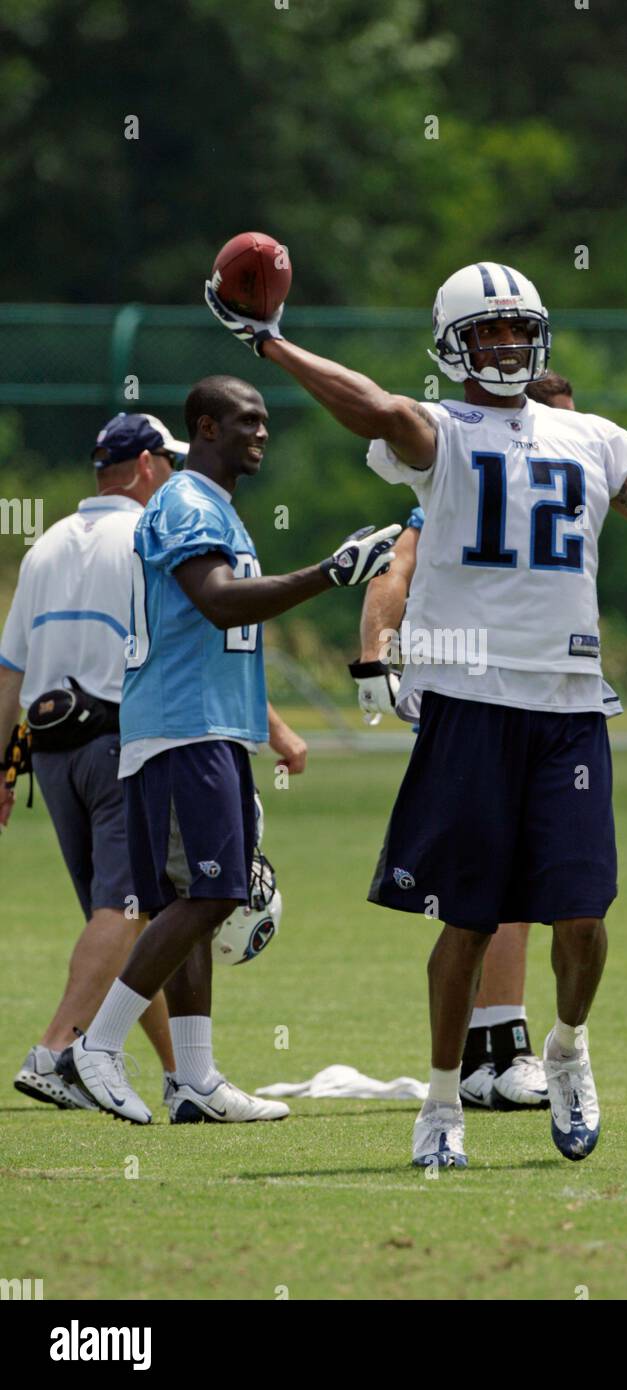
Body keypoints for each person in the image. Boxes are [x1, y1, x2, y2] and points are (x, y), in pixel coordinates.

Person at [205, 260, 627, 1168]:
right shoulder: (443, 431)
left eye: (514, 330)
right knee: (466, 920)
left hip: (571, 705)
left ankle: (569, 1048)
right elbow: (374, 408)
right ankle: (438, 1103)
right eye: (486, 332)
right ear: (453, 345)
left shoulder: (591, 435)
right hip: (472, 706)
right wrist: (269, 343)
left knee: (583, 916)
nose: (503, 346)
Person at [58, 375, 399, 1125]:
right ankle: (96, 1047)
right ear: (205, 427)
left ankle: (194, 1081)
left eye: (266, 421)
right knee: (211, 894)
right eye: (247, 420)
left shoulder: (217, 509)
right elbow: (216, 600)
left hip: (208, 726)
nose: (262, 433)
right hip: (183, 725)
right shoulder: (184, 501)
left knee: (196, 902)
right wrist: (327, 574)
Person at [347, 372, 591, 1112]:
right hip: (475, 693)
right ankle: (503, 1046)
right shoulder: (473, 469)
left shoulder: (571, 465)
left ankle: (492, 1046)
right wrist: (373, 655)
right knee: (495, 879)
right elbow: (399, 564)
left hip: (537, 692)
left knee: (497, 880)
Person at [0, 413, 184, 1110]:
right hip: (118, 747)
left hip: (51, 758)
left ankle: (180, 1076)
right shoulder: (148, 535)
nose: (173, 476)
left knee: (123, 921)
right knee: (126, 909)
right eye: (169, 462)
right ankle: (54, 1053)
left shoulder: (43, 545)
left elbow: (7, 673)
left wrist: (1, 767)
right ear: (144, 468)